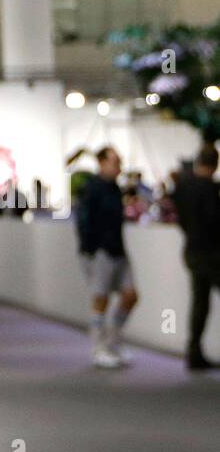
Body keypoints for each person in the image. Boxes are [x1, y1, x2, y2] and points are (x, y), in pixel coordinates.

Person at [77, 146, 138, 369]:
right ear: (102, 162)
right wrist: (90, 250)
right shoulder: (92, 188)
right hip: (100, 250)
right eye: (115, 162)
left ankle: (113, 340)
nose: (118, 166)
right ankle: (98, 346)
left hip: (117, 249)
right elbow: (84, 220)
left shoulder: (114, 188)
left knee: (130, 295)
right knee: (100, 298)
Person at [172, 146, 220, 371]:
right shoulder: (209, 188)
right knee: (201, 303)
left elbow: (181, 218)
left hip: (192, 249)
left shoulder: (184, 186)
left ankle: (194, 350)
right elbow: (213, 220)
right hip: (210, 253)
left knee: (200, 302)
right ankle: (194, 351)